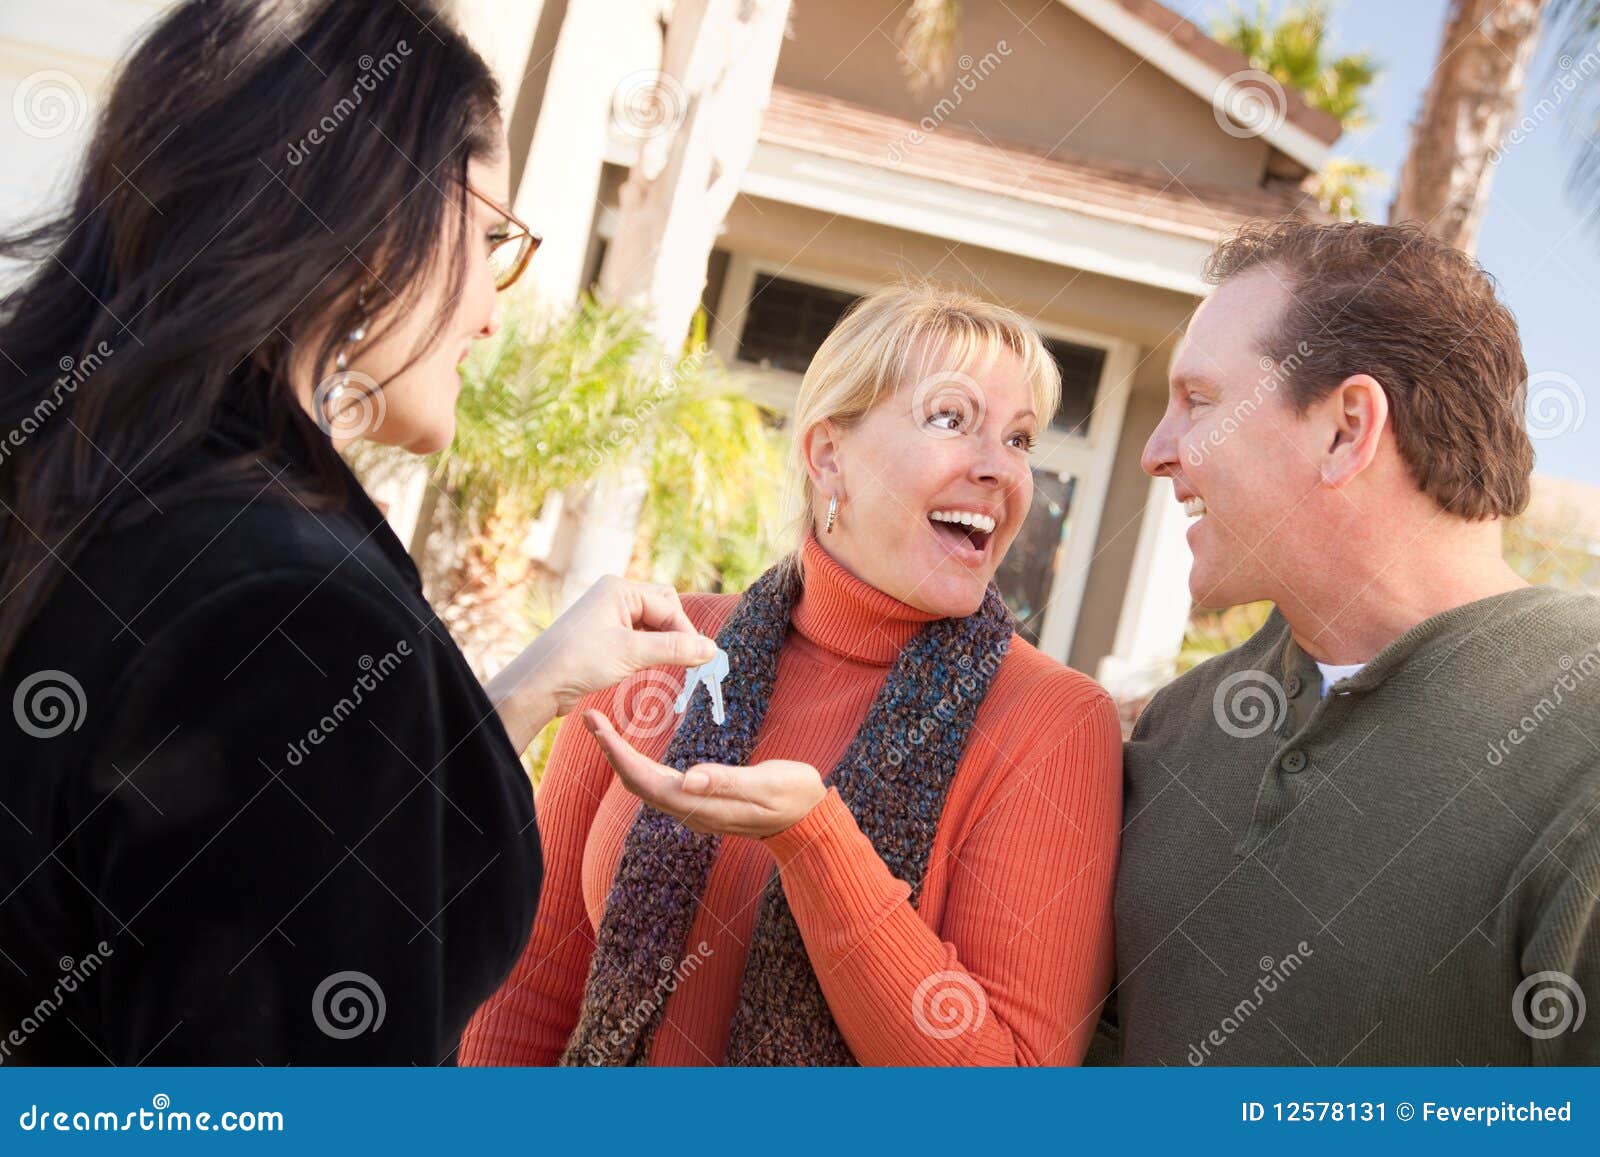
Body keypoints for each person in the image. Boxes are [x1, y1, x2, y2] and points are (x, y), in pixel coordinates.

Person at [0, 0, 713, 1065]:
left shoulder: (82, 488)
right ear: (382, 218)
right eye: (492, 239)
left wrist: (509, 697)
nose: (490, 309)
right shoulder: (288, 610)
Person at [461, 283, 1124, 1067]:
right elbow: (531, 990)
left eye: (1019, 440)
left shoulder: (1054, 722)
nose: (1000, 471)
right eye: (953, 420)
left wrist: (815, 843)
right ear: (827, 454)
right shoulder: (660, 646)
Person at [1103, 219, 1600, 1065]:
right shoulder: (1179, 724)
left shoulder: (1580, 736)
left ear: (1346, 429)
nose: (1158, 453)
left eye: (1199, 401)